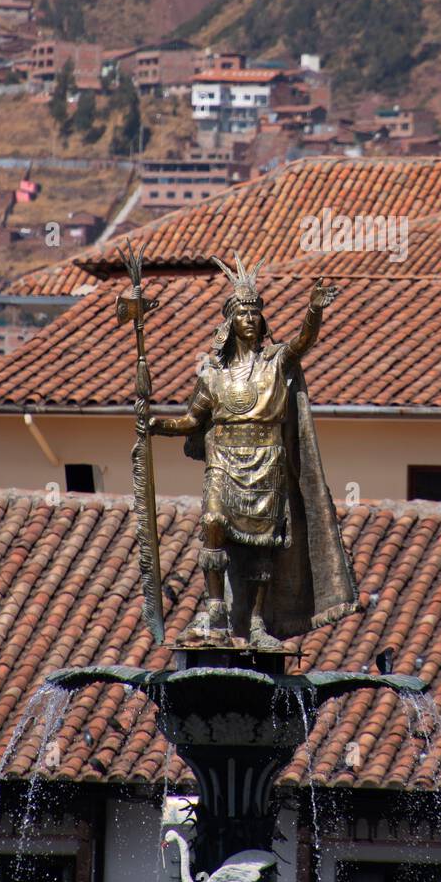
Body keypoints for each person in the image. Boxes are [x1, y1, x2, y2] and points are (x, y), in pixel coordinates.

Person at [149, 253, 359, 648]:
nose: (250, 318)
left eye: (255, 313)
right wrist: (159, 426)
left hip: (267, 460)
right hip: (224, 462)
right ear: (229, 323)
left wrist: (313, 310)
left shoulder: (277, 363)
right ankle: (215, 609)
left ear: (262, 322)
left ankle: (258, 623)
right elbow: (192, 422)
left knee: (264, 545)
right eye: (242, 313)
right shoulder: (212, 375)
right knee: (212, 520)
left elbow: (303, 341)